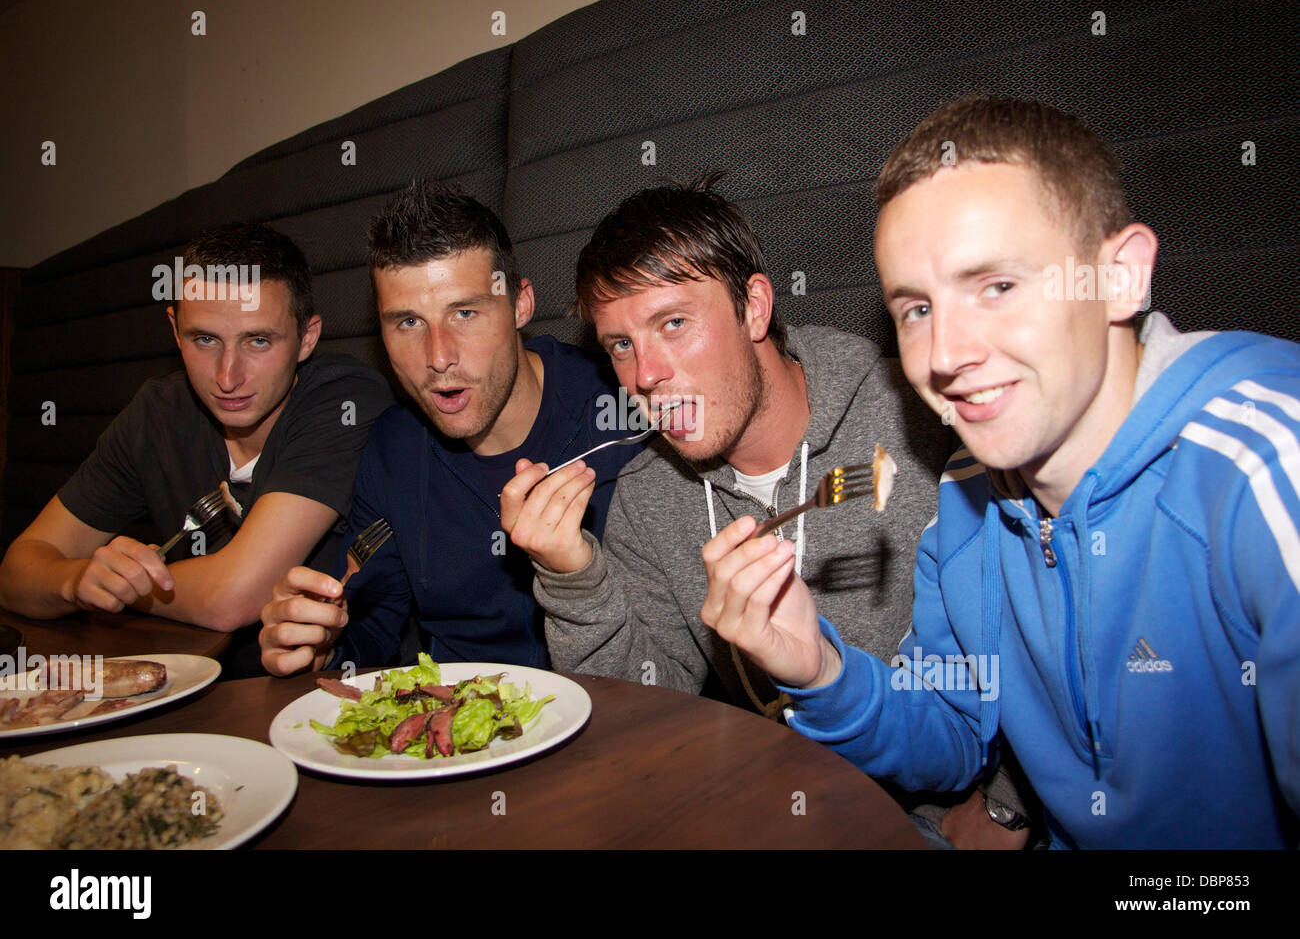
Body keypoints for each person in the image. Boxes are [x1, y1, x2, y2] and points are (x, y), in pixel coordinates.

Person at [698, 95, 1300, 848]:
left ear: (1121, 277)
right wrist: (820, 670)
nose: (945, 354)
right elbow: (952, 734)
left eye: (997, 287)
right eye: (915, 309)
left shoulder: (1267, 460)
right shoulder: (969, 495)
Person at [500, 175, 1032, 845]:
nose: (646, 375)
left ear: (754, 307)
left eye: (673, 324)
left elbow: (1048, 617)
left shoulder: (925, 425)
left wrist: (1010, 801)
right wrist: (572, 574)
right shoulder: (646, 494)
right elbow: (641, 715)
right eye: (620, 346)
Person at [258, 181, 642, 676]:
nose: (439, 357)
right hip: (456, 734)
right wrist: (317, 647)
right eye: (408, 323)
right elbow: (370, 630)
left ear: (520, 304)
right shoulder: (392, 448)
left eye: (465, 312)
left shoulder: (625, 406)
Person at [0, 223, 392, 662]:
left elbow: (233, 597)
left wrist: (132, 586)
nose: (228, 377)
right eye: (204, 340)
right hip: (175, 686)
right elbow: (16, 573)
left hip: (308, 696)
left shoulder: (344, 400)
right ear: (174, 329)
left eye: (258, 341)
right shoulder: (157, 413)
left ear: (307, 338)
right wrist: (76, 581)